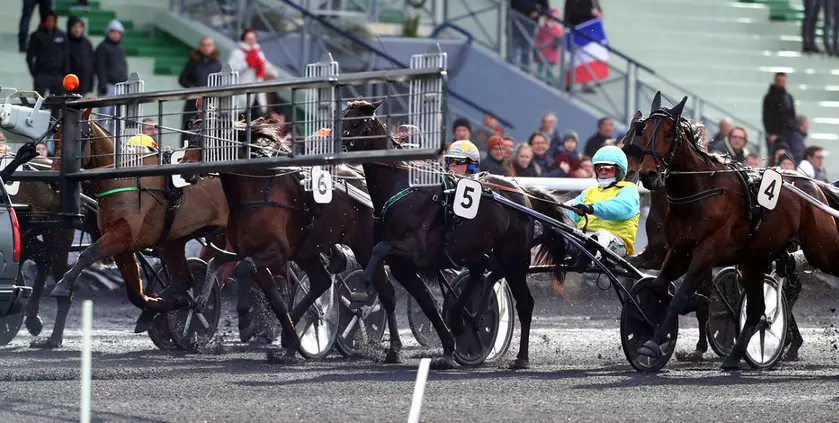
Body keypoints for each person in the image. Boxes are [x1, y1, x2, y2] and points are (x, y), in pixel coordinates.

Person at [563, 145, 640, 259]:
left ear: (619, 170)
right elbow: (569, 209)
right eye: (599, 169)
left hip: (616, 241)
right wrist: (550, 209)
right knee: (560, 233)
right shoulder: (589, 192)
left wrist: (592, 208)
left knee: (603, 236)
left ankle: (589, 258)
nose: (603, 172)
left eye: (608, 168)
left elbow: (621, 208)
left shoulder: (629, 189)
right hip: (586, 237)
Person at [178, 36, 222, 141]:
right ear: (200, 47)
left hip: (211, 103)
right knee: (189, 129)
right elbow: (182, 79)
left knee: (209, 130)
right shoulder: (193, 63)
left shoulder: (217, 64)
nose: (206, 48)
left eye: (209, 45)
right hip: (192, 102)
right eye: (204, 45)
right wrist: (193, 89)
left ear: (213, 47)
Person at [228, 28, 278, 117]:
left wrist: (270, 73)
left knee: (256, 116)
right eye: (248, 38)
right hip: (242, 89)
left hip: (257, 91)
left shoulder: (259, 53)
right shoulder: (237, 53)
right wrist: (247, 65)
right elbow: (232, 70)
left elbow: (268, 68)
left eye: (253, 38)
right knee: (242, 115)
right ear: (244, 39)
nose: (251, 41)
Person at [95, 19, 128, 134]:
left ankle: (114, 143)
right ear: (108, 32)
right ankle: (100, 141)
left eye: (118, 33)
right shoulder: (102, 47)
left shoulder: (121, 48)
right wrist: (103, 85)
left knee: (117, 117)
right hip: (108, 86)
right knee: (103, 117)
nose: (115, 35)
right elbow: (100, 67)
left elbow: (124, 66)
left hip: (120, 87)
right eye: (113, 32)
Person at [26, 10, 69, 98]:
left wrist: (65, 73)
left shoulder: (61, 36)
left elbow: (66, 55)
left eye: (53, 21)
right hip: (42, 74)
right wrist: (35, 74)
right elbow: (29, 57)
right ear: (44, 21)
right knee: (38, 102)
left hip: (57, 75)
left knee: (58, 103)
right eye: (48, 20)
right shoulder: (36, 36)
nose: (50, 23)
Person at [66, 15, 95, 96]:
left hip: (83, 84)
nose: (77, 29)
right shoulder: (65, 42)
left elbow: (91, 63)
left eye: (80, 27)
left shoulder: (86, 43)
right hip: (68, 83)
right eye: (74, 27)